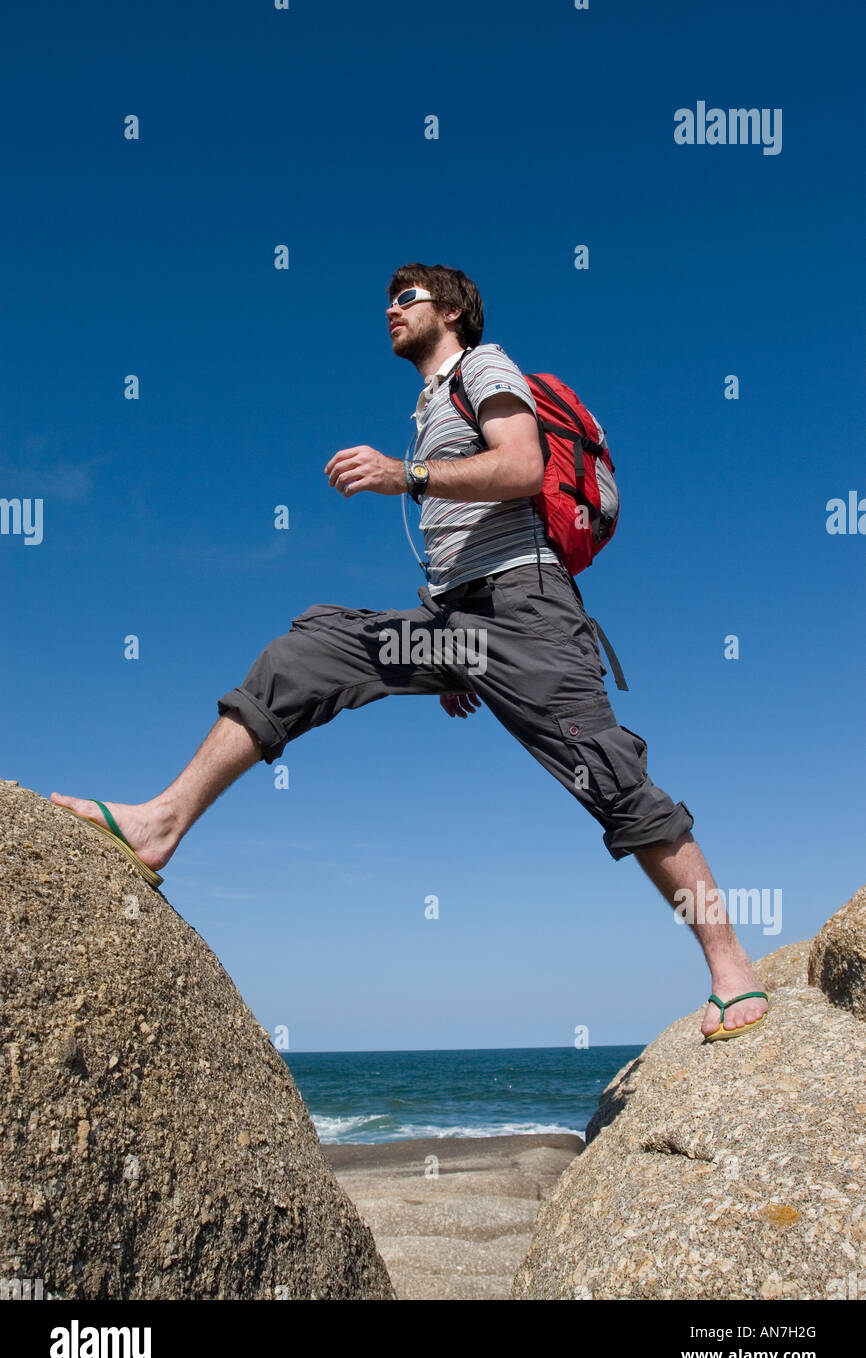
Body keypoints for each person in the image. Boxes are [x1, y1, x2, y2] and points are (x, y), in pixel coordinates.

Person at [51, 262, 769, 1043]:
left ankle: (730, 967)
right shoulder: (428, 402)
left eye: (405, 299)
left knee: (611, 778)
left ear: (452, 311)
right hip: (460, 627)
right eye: (387, 302)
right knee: (306, 652)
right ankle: (160, 824)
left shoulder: (484, 368)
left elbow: (523, 466)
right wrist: (454, 659)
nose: (389, 311)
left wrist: (407, 475)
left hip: (526, 612)